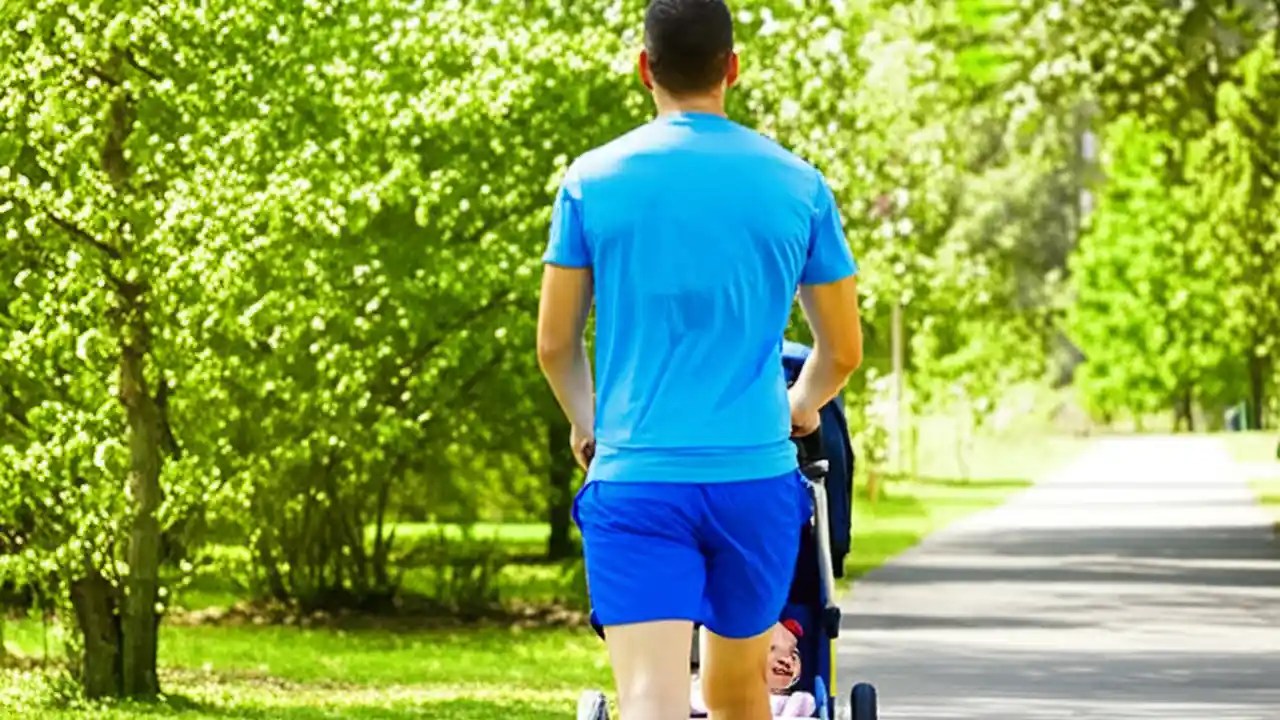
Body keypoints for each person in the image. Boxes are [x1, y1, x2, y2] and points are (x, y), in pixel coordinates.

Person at [535, 1, 863, 718]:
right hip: (754, 481)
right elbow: (842, 349)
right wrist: (801, 406)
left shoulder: (591, 180)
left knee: (652, 698)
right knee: (738, 693)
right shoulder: (799, 185)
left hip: (638, 479)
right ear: (732, 69)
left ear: (643, 68)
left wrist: (587, 422)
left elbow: (555, 345)